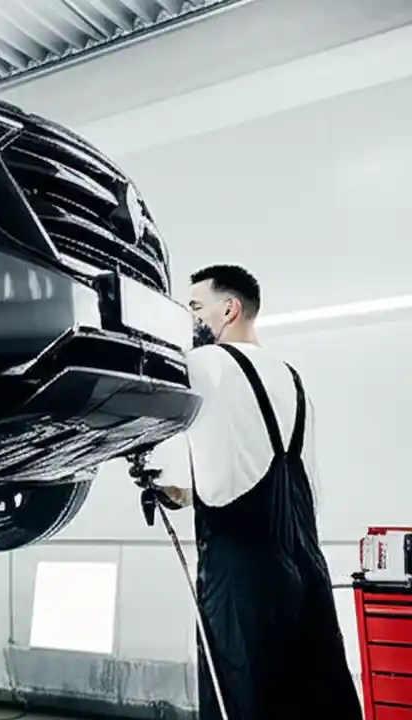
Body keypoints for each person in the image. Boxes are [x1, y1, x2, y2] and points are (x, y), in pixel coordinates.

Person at [139, 264, 361, 719]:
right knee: (314, 698)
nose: (190, 317)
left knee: (241, 699)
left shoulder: (207, 364)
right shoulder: (294, 379)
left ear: (230, 308)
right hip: (304, 566)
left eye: (195, 306)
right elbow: (261, 470)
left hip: (243, 577)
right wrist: (182, 493)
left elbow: (145, 397)